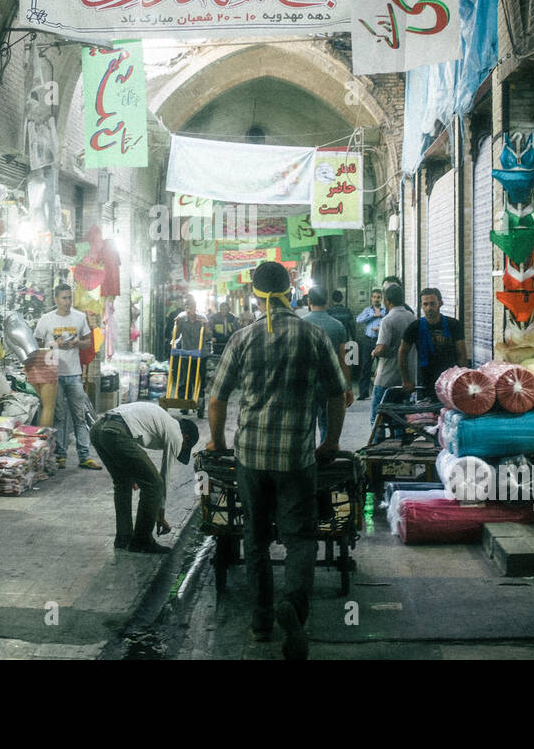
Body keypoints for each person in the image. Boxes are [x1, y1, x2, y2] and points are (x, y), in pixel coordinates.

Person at [208, 261, 347, 660]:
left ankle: (261, 621)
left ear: (256, 294)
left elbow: (217, 399)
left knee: (255, 538)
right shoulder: (314, 335)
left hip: (250, 457)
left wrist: (217, 442)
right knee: (301, 537)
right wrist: (332, 441)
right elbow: (339, 392)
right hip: (297, 459)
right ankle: (295, 607)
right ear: (293, 291)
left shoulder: (242, 338)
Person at [89, 401, 200, 554]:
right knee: (154, 484)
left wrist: (133, 471)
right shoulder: (176, 434)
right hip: (115, 431)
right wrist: (160, 514)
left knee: (123, 482)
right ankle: (142, 540)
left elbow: (132, 438)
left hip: (98, 429)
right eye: (184, 447)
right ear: (185, 438)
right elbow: (164, 478)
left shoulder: (163, 421)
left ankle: (123, 537)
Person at [34, 284, 101, 470]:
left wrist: (78, 342)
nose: (67, 302)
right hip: (53, 374)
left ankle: (84, 455)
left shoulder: (80, 317)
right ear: (55, 299)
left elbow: (88, 342)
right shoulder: (46, 319)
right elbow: (36, 344)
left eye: (69, 298)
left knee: (79, 415)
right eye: (64, 298)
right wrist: (54, 344)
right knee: (59, 415)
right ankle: (60, 454)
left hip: (74, 373)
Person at [301, 287, 354, 442]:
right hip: (331, 384)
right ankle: (326, 456)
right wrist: (348, 387)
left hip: (307, 384)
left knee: (307, 425)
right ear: (327, 302)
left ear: (309, 301)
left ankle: (308, 457)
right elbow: (345, 360)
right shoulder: (337, 326)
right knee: (326, 423)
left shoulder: (301, 324)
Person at [400, 288, 470, 397]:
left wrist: (463, 379)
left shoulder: (454, 325)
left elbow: (462, 354)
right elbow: (402, 352)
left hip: (450, 382)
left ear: (440, 303)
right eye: (425, 304)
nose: (429, 308)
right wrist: (406, 380)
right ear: (421, 305)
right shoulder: (414, 327)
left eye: (432, 304)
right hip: (425, 382)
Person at [370, 283, 417, 427]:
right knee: (400, 419)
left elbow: (382, 348)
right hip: (408, 377)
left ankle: (377, 445)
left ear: (386, 301)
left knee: (377, 418)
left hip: (387, 379)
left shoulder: (387, 320)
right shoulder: (412, 318)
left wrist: (374, 352)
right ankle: (400, 446)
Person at [355, 288, 386, 399]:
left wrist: (381, 323)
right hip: (368, 340)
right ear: (371, 298)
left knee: (383, 367)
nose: (376, 299)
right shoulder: (367, 310)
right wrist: (373, 316)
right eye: (374, 297)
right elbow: (358, 320)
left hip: (381, 341)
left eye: (378, 297)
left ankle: (382, 393)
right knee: (365, 367)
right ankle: (363, 393)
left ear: (381, 298)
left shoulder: (385, 310)